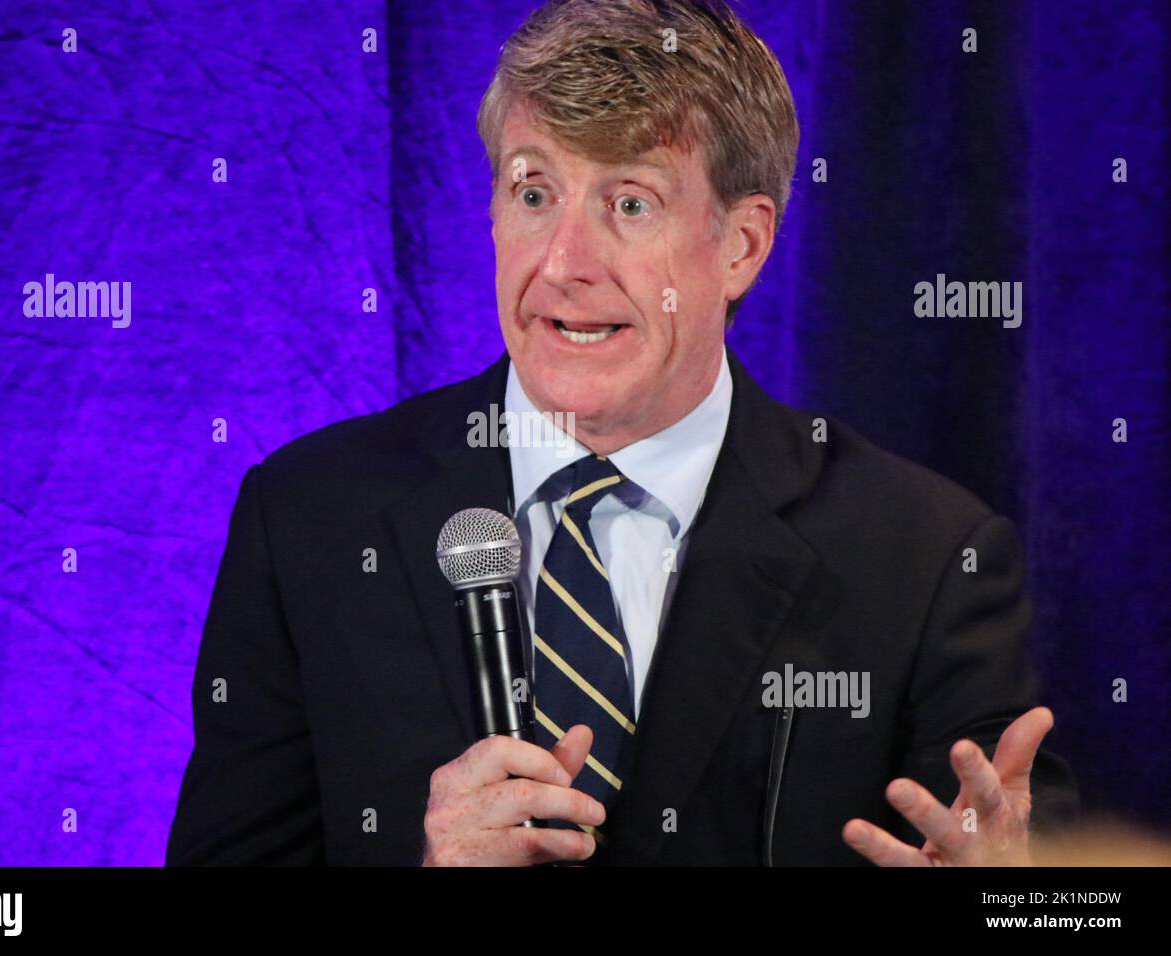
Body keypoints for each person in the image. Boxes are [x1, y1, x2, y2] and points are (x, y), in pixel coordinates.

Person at [166, 0, 1078, 867]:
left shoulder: (926, 560)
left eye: (630, 204)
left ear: (742, 246)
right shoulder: (311, 520)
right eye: (533, 193)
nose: (564, 264)